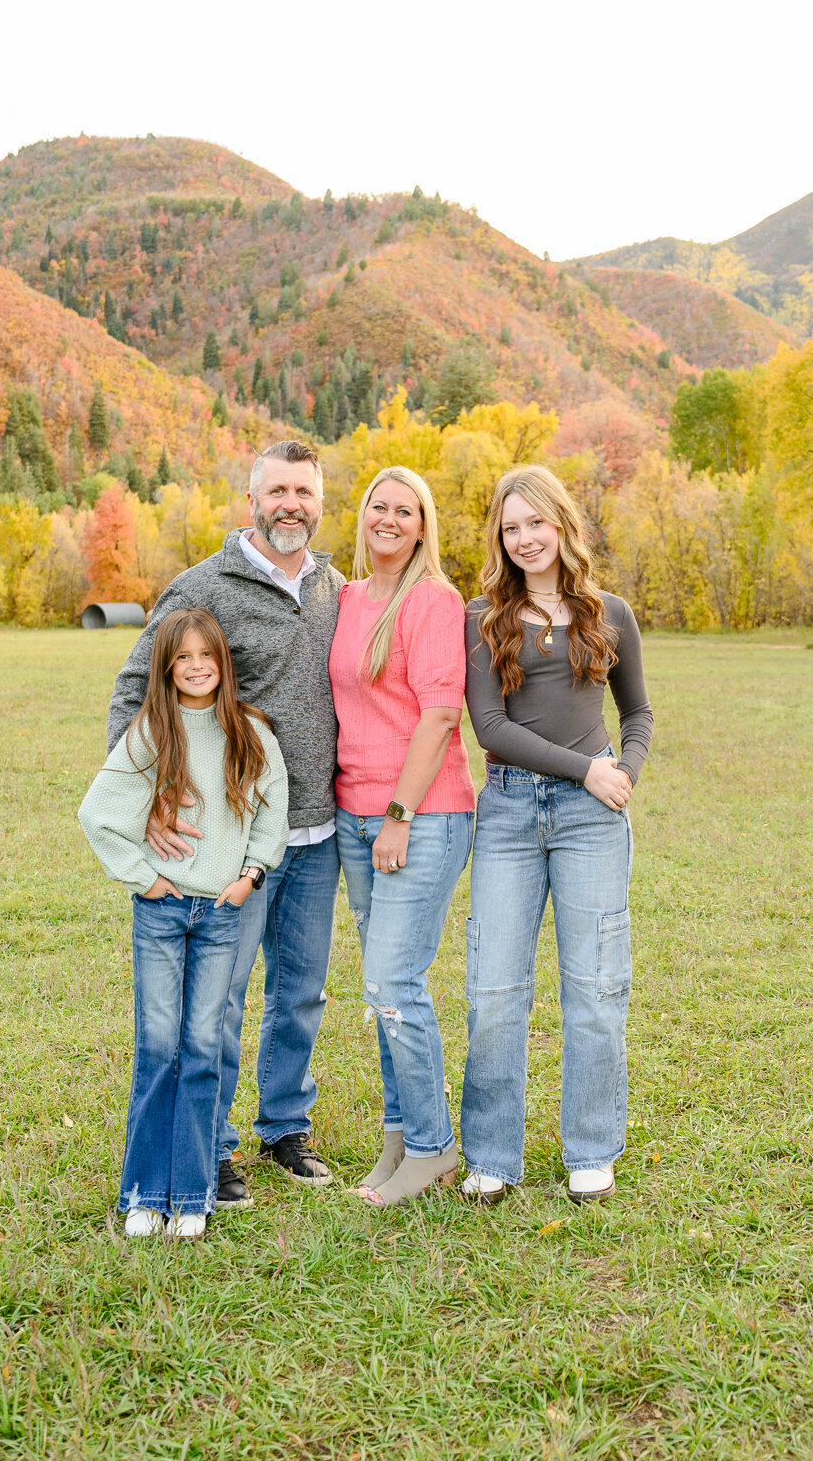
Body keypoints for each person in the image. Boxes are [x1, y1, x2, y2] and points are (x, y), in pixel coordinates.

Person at [107, 439, 342, 1205]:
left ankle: (285, 1127)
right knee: (223, 993)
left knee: (300, 990)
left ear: (318, 500)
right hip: (230, 844)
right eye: (277, 491)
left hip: (314, 829)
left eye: (303, 492)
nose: (291, 506)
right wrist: (151, 798)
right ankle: (211, 1146)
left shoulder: (335, 587)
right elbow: (136, 685)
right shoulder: (204, 585)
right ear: (252, 499)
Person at [460, 464, 653, 1207]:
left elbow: (637, 714)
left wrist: (620, 772)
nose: (525, 538)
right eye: (511, 528)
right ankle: (492, 1157)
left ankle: (591, 1151)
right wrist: (584, 769)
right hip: (508, 812)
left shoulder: (612, 613)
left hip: (591, 819)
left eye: (535, 522)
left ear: (561, 524)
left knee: (597, 987)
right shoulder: (483, 617)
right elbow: (491, 728)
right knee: (495, 989)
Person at [79, 607, 288, 1239]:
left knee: (203, 1047)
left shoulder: (250, 732)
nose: (197, 667)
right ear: (167, 668)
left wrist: (250, 875)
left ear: (223, 661)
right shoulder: (150, 733)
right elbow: (99, 813)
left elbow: (272, 811)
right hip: (163, 913)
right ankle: (145, 1191)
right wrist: (147, 879)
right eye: (182, 658)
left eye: (207, 655)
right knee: (158, 1048)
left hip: (223, 911)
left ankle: (192, 1192)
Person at [329, 466, 475, 1208]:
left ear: (423, 526)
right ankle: (398, 1138)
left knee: (394, 984)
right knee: (381, 988)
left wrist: (398, 815)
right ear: (362, 518)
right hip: (351, 815)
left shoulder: (434, 601)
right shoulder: (349, 598)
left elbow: (442, 714)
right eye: (378, 507)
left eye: (405, 510)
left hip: (422, 815)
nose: (388, 519)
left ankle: (432, 1148)